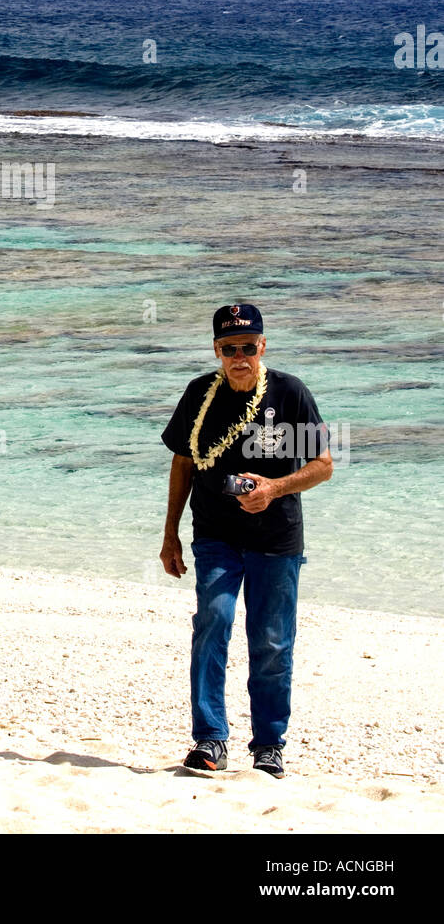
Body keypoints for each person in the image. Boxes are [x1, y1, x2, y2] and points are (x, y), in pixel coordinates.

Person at [159, 303, 332, 778]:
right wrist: (170, 533)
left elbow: (324, 466)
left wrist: (274, 488)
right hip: (214, 534)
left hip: (276, 540)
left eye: (248, 347)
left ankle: (269, 744)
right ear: (217, 350)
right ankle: (211, 739)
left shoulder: (290, 393)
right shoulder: (199, 394)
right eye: (230, 348)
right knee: (212, 623)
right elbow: (182, 463)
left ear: (263, 346)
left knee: (272, 642)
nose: (240, 357)